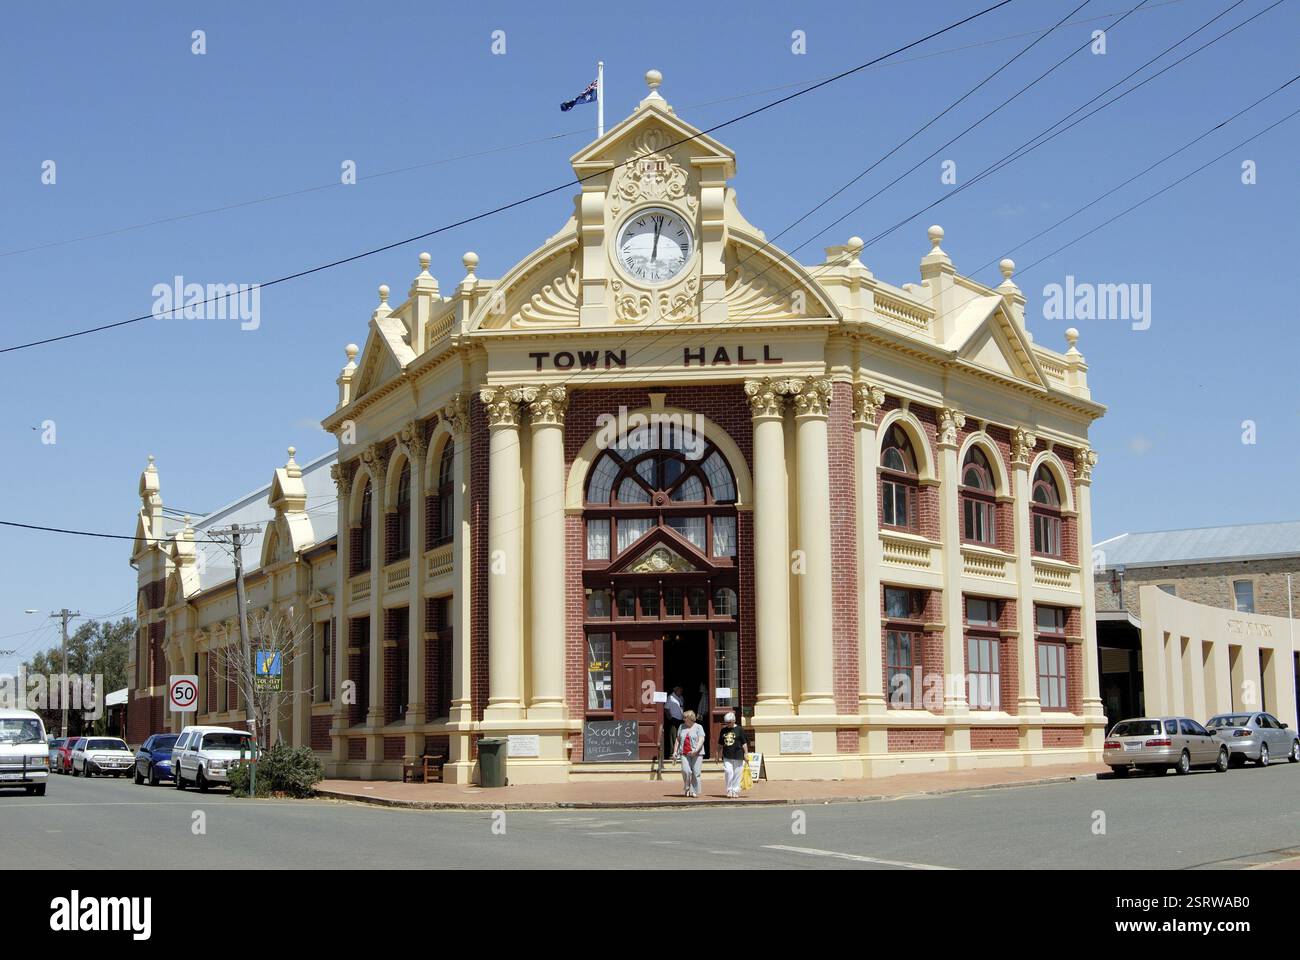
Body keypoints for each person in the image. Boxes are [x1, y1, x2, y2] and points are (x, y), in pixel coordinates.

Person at [673, 709, 705, 798]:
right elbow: (678, 739)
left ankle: (693, 790)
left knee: (696, 772)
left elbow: (701, 739)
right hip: (684, 753)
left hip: (697, 753)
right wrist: (675, 751)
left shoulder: (699, 727)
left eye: (685, 718)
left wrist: (696, 750)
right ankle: (687, 787)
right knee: (686, 771)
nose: (683, 719)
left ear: (691, 718)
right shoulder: (681, 726)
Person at [717, 712, 748, 798]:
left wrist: (746, 753)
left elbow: (744, 743)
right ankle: (729, 789)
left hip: (738, 755)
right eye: (726, 722)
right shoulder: (723, 730)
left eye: (729, 722)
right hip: (727, 755)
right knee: (728, 772)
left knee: (737, 774)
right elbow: (720, 743)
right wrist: (717, 754)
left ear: (733, 721)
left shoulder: (739, 729)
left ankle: (735, 790)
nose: (727, 724)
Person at [664, 685, 684, 758]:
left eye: (681, 690)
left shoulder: (681, 697)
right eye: (680, 690)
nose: (681, 692)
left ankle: (679, 752)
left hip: (681, 719)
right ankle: (672, 753)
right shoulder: (670, 698)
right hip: (674, 719)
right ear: (676, 690)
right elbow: (666, 709)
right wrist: (670, 718)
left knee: (680, 736)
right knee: (673, 736)